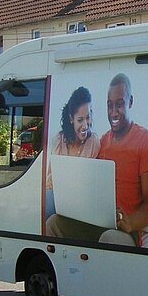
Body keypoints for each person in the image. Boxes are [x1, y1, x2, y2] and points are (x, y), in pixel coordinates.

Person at [46, 74, 148, 248]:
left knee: (109, 238)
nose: (113, 112)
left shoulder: (143, 139)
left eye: (119, 104)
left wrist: (130, 222)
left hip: (123, 230)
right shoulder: (103, 142)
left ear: (130, 102)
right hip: (96, 224)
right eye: (109, 105)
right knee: (53, 223)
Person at [45, 86, 100, 220]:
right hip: (58, 197)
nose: (85, 125)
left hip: (80, 200)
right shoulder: (59, 140)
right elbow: (49, 180)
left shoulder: (93, 142)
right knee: (47, 198)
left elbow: (89, 182)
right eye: (80, 120)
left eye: (88, 118)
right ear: (71, 118)